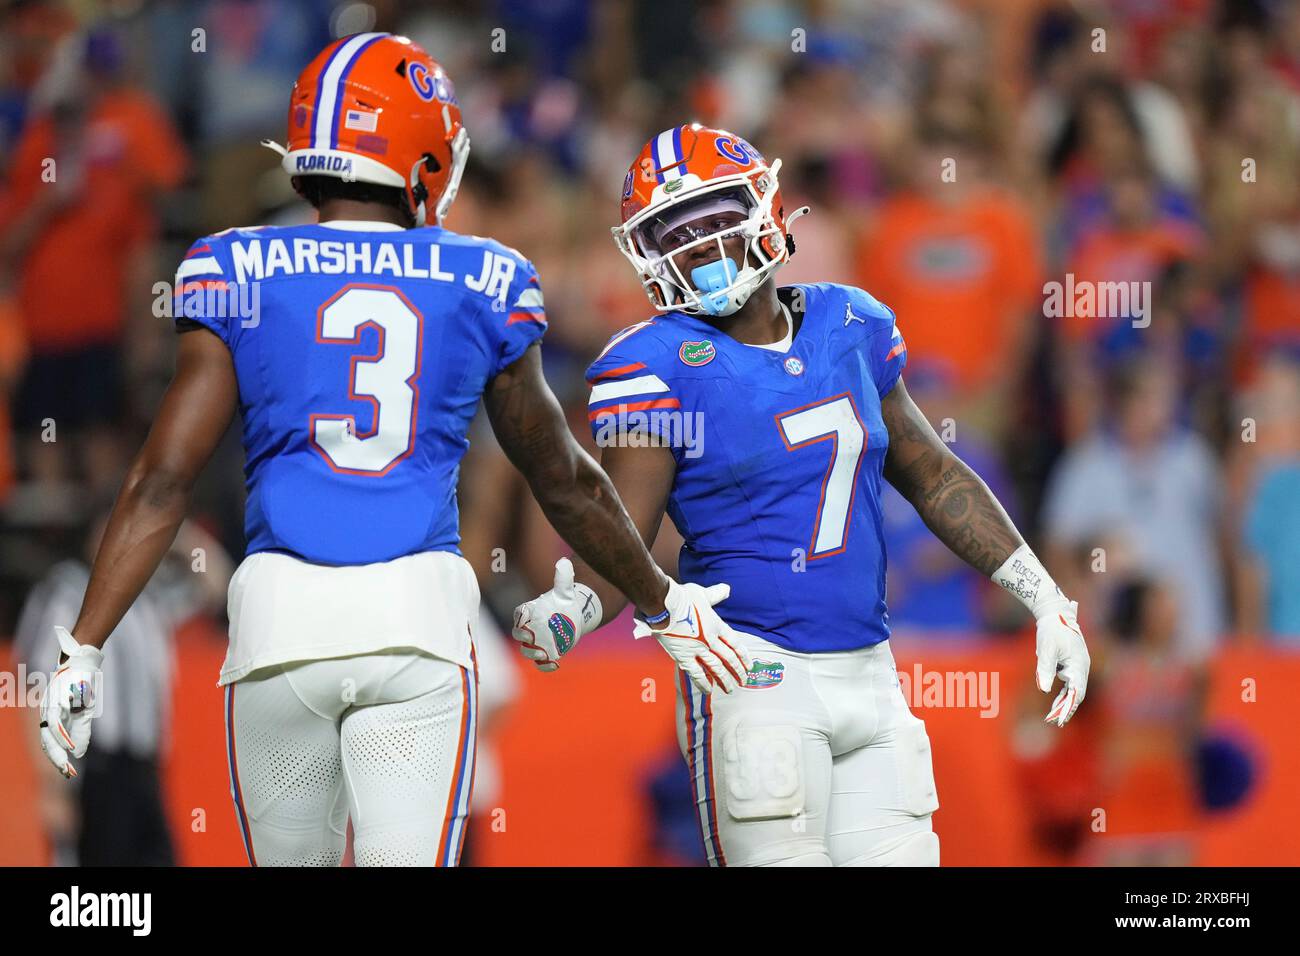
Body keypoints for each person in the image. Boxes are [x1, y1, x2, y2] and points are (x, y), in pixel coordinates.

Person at [35, 34, 748, 868]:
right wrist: (658, 597)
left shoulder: (237, 264)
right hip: (415, 622)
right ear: (421, 151)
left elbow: (160, 481)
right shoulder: (484, 278)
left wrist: (83, 644)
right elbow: (564, 479)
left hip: (279, 623)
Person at [511, 124, 1092, 867]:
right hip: (754, 675)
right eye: (673, 234)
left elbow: (934, 473)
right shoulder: (657, 363)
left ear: (764, 209)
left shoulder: (849, 323)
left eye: (716, 219)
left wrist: (1044, 596)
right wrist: (578, 605)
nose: (700, 247)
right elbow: (629, 520)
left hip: (872, 671)